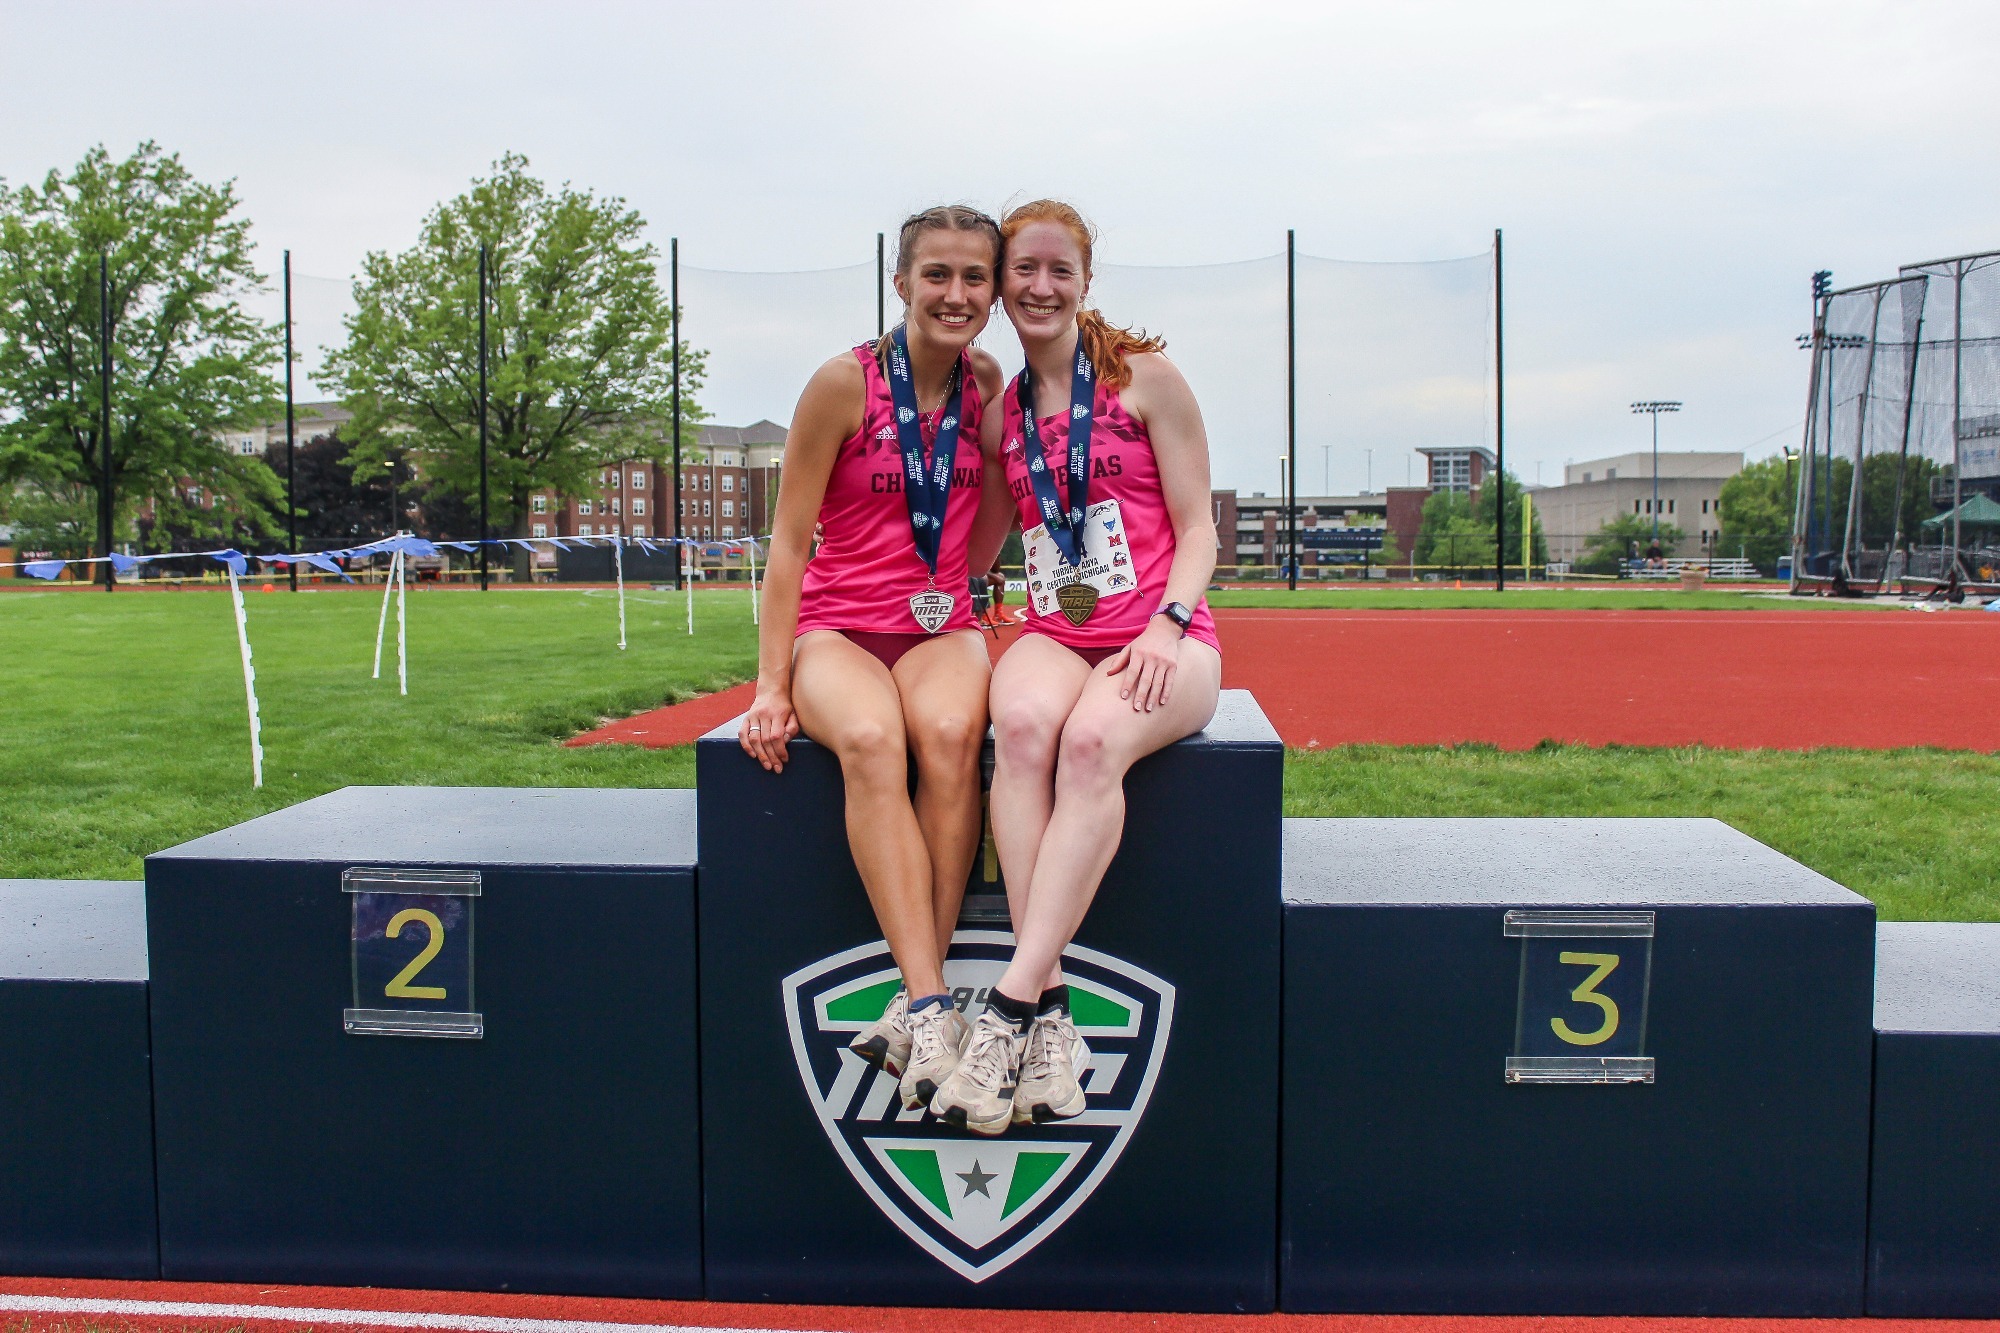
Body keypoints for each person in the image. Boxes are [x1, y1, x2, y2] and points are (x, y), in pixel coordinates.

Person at [928, 200, 1224, 1135]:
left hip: (1165, 634)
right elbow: (979, 542)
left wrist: (1169, 625)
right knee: (1017, 726)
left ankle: (1010, 1008)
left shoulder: (1145, 379)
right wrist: (903, 594)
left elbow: (1200, 530)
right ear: (1003, 285)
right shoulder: (1004, 410)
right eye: (1024, 271)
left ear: (1086, 281)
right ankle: (1051, 1012)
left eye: (1060, 270)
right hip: (1061, 632)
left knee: (1091, 741)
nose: (1041, 287)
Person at [739, 206, 1014, 1111]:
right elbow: (787, 540)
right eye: (937, 274)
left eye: (975, 277)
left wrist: (962, 585)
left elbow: (996, 504)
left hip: (940, 629)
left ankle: (916, 1005)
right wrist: (770, 683)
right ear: (900, 284)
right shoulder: (841, 383)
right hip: (839, 626)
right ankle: (932, 996)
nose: (957, 294)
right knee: (867, 737)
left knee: (943, 731)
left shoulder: (987, 381)